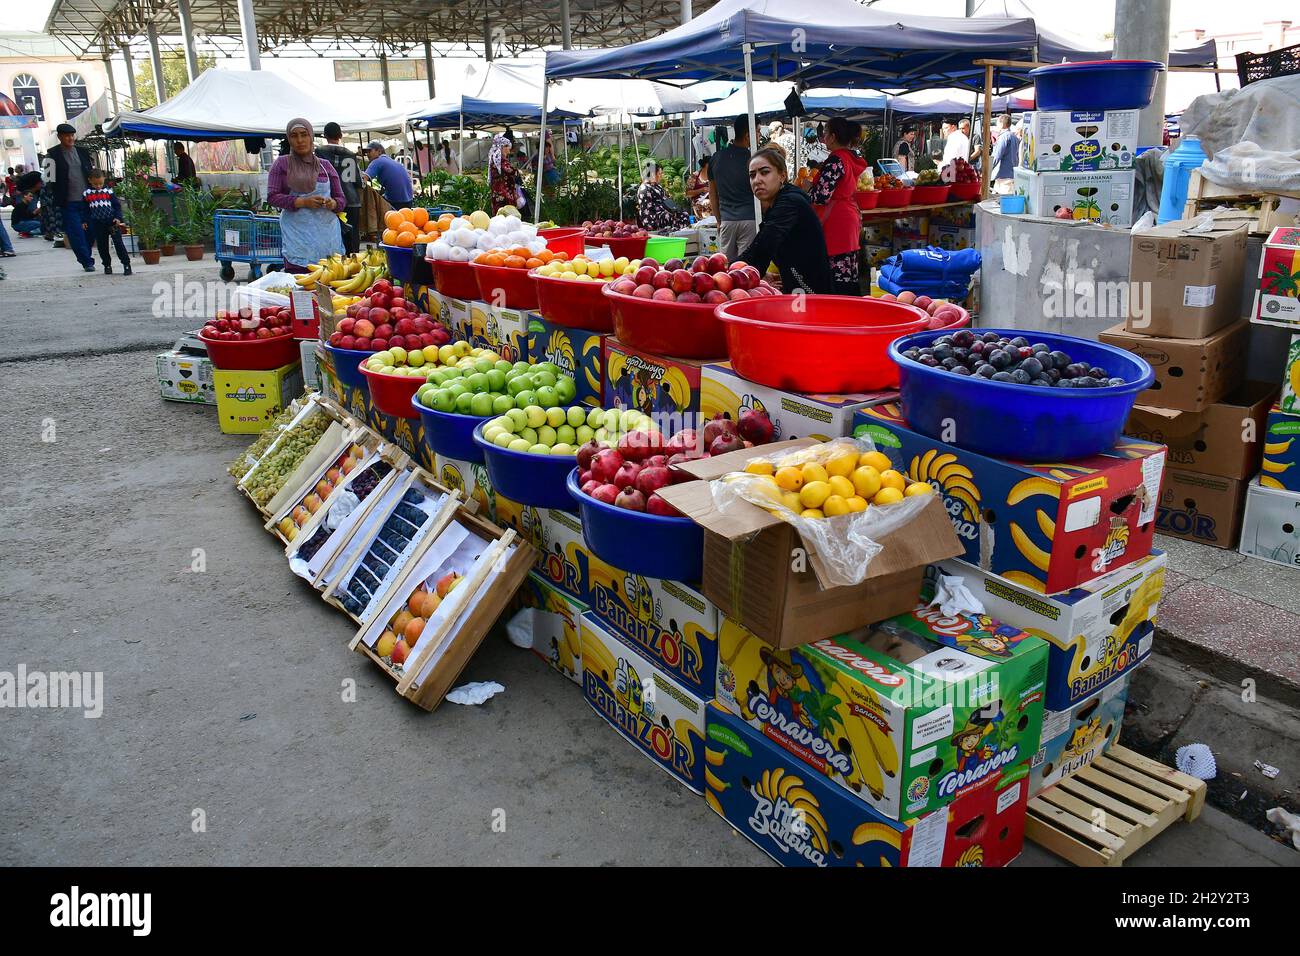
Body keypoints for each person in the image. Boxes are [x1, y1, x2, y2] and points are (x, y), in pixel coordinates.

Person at [737, 147, 833, 295]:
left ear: (782, 175)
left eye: (765, 172)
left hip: (809, 293)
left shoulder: (789, 202)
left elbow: (765, 244)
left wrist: (735, 272)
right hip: (798, 288)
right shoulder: (779, 202)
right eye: (752, 175)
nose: (757, 180)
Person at [267, 118, 346, 272]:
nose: (300, 140)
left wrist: (333, 204)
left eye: (304, 134)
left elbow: (341, 199)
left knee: (330, 284)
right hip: (298, 237)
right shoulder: (282, 164)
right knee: (300, 284)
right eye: (294, 136)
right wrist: (302, 202)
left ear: (311, 136)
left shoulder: (325, 166)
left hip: (327, 236)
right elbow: (272, 196)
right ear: (289, 139)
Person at [808, 117, 867, 296]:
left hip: (836, 222)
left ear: (833, 137)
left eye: (825, 133)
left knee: (836, 274)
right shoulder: (849, 158)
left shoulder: (836, 160)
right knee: (847, 270)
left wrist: (804, 191)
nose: (823, 137)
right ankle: (850, 306)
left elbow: (821, 196)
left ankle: (839, 309)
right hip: (848, 217)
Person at [49, 123, 96, 272]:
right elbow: (48, 179)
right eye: (66, 136)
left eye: (72, 135)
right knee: (76, 233)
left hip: (87, 200)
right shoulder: (51, 154)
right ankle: (87, 262)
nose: (70, 138)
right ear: (59, 137)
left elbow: (91, 173)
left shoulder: (83, 151)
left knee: (90, 232)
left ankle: (86, 256)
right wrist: (55, 195)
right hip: (68, 202)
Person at [709, 115, 755, 259]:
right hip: (750, 219)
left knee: (725, 268)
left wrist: (718, 221)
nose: (759, 136)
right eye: (758, 131)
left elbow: (712, 194)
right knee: (745, 269)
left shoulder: (716, 158)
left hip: (727, 221)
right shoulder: (754, 159)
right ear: (748, 135)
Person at [316, 122, 362, 254]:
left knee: (330, 236)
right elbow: (358, 182)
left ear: (324, 135)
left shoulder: (319, 152)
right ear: (340, 135)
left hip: (329, 201)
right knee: (352, 238)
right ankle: (354, 265)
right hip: (351, 201)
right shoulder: (351, 154)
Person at [82, 168, 132, 275]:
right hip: (97, 223)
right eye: (95, 184)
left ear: (104, 179)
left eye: (100, 183)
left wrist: (118, 218)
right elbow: (85, 209)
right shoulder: (87, 194)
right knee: (102, 245)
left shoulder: (108, 192)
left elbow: (117, 206)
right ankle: (107, 265)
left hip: (112, 222)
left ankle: (126, 264)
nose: (98, 186)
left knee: (118, 243)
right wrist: (84, 221)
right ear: (89, 180)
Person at [635, 160, 689, 232]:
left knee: (684, 214)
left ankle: (684, 233)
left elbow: (666, 201)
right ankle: (674, 234)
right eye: (659, 174)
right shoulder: (644, 189)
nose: (661, 176)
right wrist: (666, 212)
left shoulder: (657, 186)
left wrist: (674, 210)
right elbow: (647, 210)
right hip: (652, 218)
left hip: (663, 213)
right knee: (668, 216)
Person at [362, 140, 414, 206]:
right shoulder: (390, 161)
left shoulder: (377, 161)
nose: (367, 154)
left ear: (379, 151)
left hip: (396, 202)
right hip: (409, 200)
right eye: (366, 152)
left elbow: (364, 179)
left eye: (369, 151)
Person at [487, 133, 522, 215]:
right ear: (501, 147)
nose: (509, 148)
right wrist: (517, 171)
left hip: (499, 192)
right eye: (507, 146)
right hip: (503, 193)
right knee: (506, 215)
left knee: (500, 215)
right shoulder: (501, 160)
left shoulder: (497, 160)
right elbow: (509, 171)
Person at [989, 115, 1020, 194]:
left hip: (1003, 176)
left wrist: (988, 170)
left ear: (1001, 124)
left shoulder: (1004, 137)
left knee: (1002, 201)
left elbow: (997, 155)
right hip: (1012, 173)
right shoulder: (1015, 137)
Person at [685, 155, 710, 220]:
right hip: (699, 206)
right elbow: (687, 193)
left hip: (712, 202)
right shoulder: (694, 177)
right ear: (707, 165)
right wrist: (701, 190)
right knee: (708, 202)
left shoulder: (714, 176)